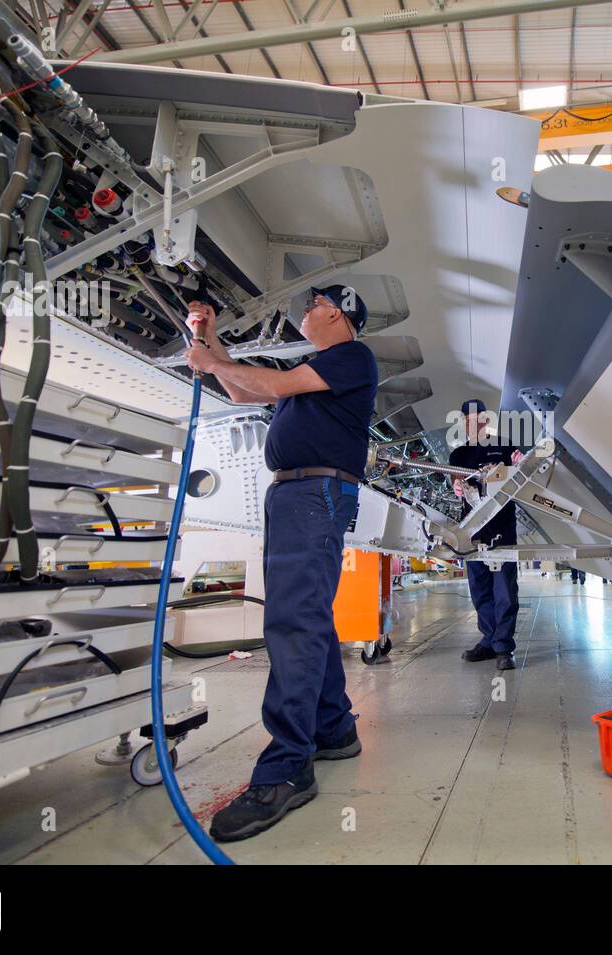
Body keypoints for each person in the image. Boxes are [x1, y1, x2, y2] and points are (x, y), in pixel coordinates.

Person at [182, 285, 377, 843]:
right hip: (297, 496)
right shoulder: (318, 372)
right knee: (309, 616)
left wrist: (212, 357)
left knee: (292, 624)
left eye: (313, 305)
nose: (305, 314)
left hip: (314, 495)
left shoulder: (350, 358)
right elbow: (245, 394)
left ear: (337, 313)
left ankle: (286, 768)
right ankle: (334, 730)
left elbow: (270, 383)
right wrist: (210, 343)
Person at [449, 399, 524, 671]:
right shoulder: (458, 455)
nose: (473, 422)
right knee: (480, 590)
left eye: (478, 417)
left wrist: (520, 460)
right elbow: (455, 481)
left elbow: (520, 466)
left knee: (504, 589)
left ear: (485, 420)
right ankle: (490, 640)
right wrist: (457, 486)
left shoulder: (504, 445)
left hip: (501, 528)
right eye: (468, 419)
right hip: (472, 531)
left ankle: (504, 647)